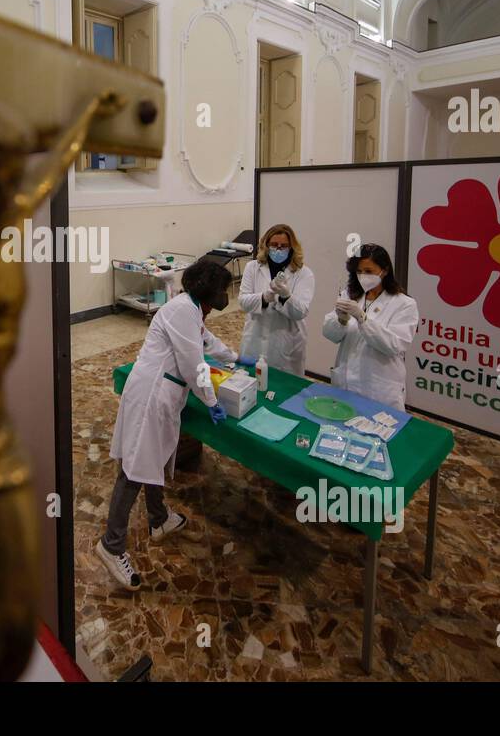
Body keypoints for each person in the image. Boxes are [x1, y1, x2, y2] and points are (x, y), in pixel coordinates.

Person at [97, 259, 255, 590]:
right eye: (224, 289)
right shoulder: (184, 309)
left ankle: (158, 519)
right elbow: (192, 363)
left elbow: (206, 340)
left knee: (150, 458)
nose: (227, 295)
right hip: (152, 393)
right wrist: (212, 402)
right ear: (210, 291)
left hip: (162, 393)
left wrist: (235, 357)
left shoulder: (192, 309)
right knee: (134, 468)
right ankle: (111, 546)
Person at [322, 242, 418, 409]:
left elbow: (394, 345)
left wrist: (362, 318)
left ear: (385, 271)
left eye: (368, 271)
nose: (363, 276)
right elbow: (330, 334)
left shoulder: (404, 304)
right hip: (346, 382)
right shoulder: (351, 295)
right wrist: (341, 320)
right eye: (359, 271)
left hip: (379, 388)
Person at [237, 223, 315, 377]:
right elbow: (243, 302)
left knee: (284, 391)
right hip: (255, 338)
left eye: (284, 246)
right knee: (251, 384)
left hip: (286, 343)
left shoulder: (304, 273)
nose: (278, 249)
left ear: (292, 247)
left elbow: (301, 312)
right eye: (274, 245)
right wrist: (264, 298)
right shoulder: (253, 267)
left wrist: (286, 296)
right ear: (266, 245)